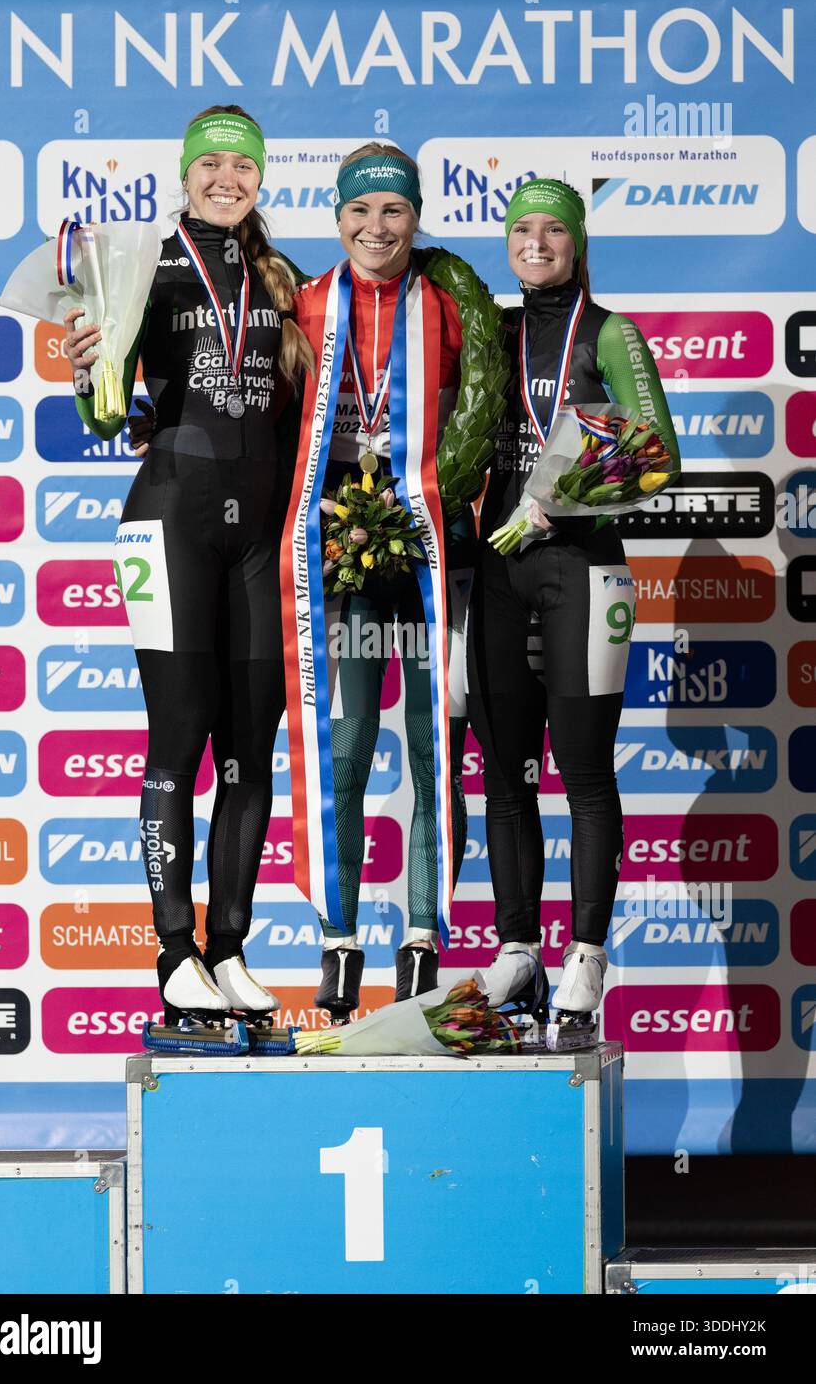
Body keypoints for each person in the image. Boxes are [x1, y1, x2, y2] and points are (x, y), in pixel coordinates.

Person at [64, 105, 313, 1024]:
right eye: (209, 163)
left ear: (258, 178)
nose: (225, 177)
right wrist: (85, 367)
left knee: (253, 749)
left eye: (240, 166)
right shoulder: (139, 262)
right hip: (168, 519)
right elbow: (100, 413)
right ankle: (174, 950)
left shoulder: (277, 275)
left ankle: (231, 947)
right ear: (183, 171)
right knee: (180, 735)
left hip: (260, 536)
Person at [281, 143, 503, 1019]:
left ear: (416, 218)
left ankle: (421, 936)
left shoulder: (449, 307)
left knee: (432, 747)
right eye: (361, 212)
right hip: (343, 557)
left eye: (395, 211)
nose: (378, 228)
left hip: (431, 559)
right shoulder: (305, 305)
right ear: (338, 219)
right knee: (345, 748)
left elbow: (487, 415)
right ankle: (337, 938)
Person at [467, 178, 680, 1043]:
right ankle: (519, 947)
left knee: (583, 771)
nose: (538, 243)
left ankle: (587, 955)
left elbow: (660, 453)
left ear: (577, 240)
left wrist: (571, 499)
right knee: (506, 771)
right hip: (497, 569)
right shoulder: (499, 332)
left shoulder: (610, 332)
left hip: (582, 568)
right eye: (523, 229)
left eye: (555, 229)